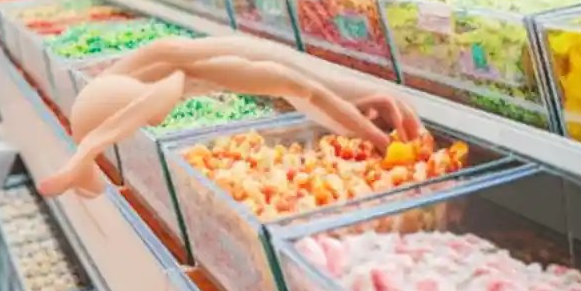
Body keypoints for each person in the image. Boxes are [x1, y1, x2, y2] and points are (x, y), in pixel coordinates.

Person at [37, 35, 422, 197]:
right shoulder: (154, 69)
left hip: (94, 119)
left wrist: (376, 135)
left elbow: (300, 84)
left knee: (288, 78)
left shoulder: (168, 68)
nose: (160, 120)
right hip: (97, 125)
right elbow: (299, 84)